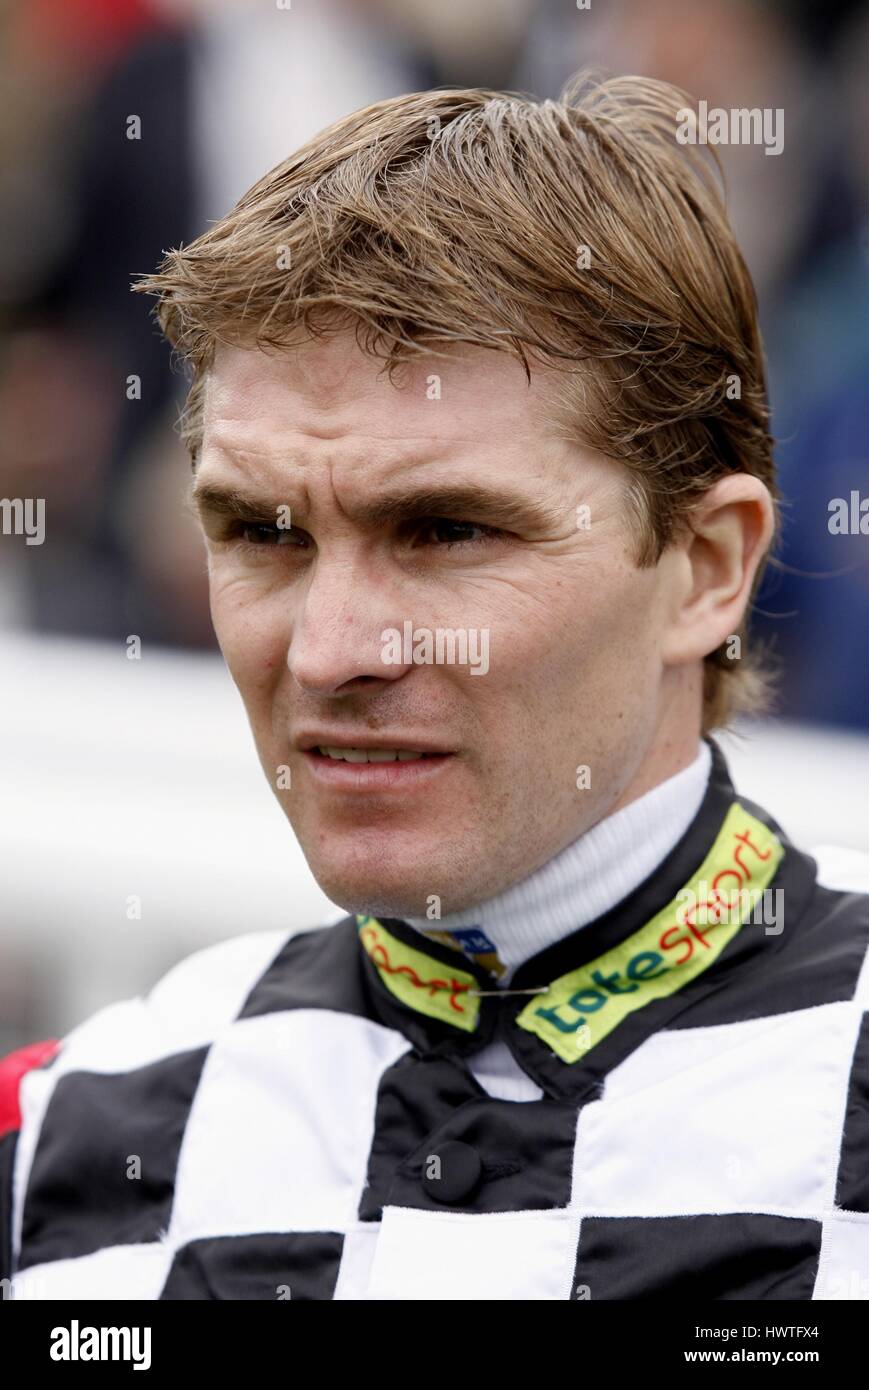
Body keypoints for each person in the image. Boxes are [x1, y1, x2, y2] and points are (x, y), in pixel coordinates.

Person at [2, 73, 868, 1302]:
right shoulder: (68, 1134)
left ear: (705, 569)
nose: (326, 651)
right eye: (262, 531)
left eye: (448, 531)